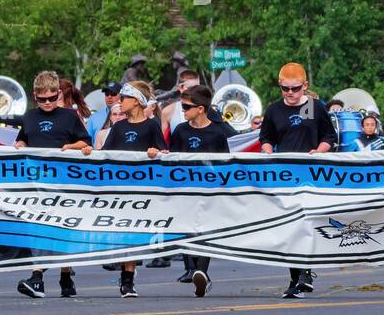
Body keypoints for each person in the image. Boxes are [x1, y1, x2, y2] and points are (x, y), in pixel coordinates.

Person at [257, 61, 337, 299]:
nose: (290, 94)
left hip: (311, 173)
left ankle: (304, 273)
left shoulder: (314, 107)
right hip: (284, 174)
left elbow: (328, 136)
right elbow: (266, 137)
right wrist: (268, 150)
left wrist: (319, 151)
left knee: (306, 221)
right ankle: (296, 278)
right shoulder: (274, 110)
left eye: (295, 89)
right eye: (285, 89)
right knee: (290, 225)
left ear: (305, 85)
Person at [14, 70, 92, 299]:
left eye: (52, 98)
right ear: (34, 96)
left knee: (62, 229)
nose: (47, 103)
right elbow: (23, 138)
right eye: (42, 99)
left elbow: (85, 142)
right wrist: (19, 143)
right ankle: (36, 278)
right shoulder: (29, 117)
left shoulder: (69, 117)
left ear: (59, 94)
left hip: (64, 182)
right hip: (36, 183)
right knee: (39, 228)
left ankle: (65, 275)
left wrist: (72, 147)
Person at [101, 82, 166, 297]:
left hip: (143, 188)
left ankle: (128, 280)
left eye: (124, 98)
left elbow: (165, 153)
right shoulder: (118, 127)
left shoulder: (152, 125)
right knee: (122, 232)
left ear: (136, 101)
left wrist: (156, 151)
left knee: (134, 232)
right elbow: (105, 154)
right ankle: (125, 276)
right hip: (120, 187)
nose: (120, 102)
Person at [168, 84, 231, 296]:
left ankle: (202, 272)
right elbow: (172, 161)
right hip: (185, 190)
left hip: (210, 191)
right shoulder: (180, 131)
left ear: (201, 109)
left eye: (186, 107)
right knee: (189, 231)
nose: (183, 111)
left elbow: (225, 164)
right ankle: (196, 270)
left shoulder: (217, 132)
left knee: (206, 230)